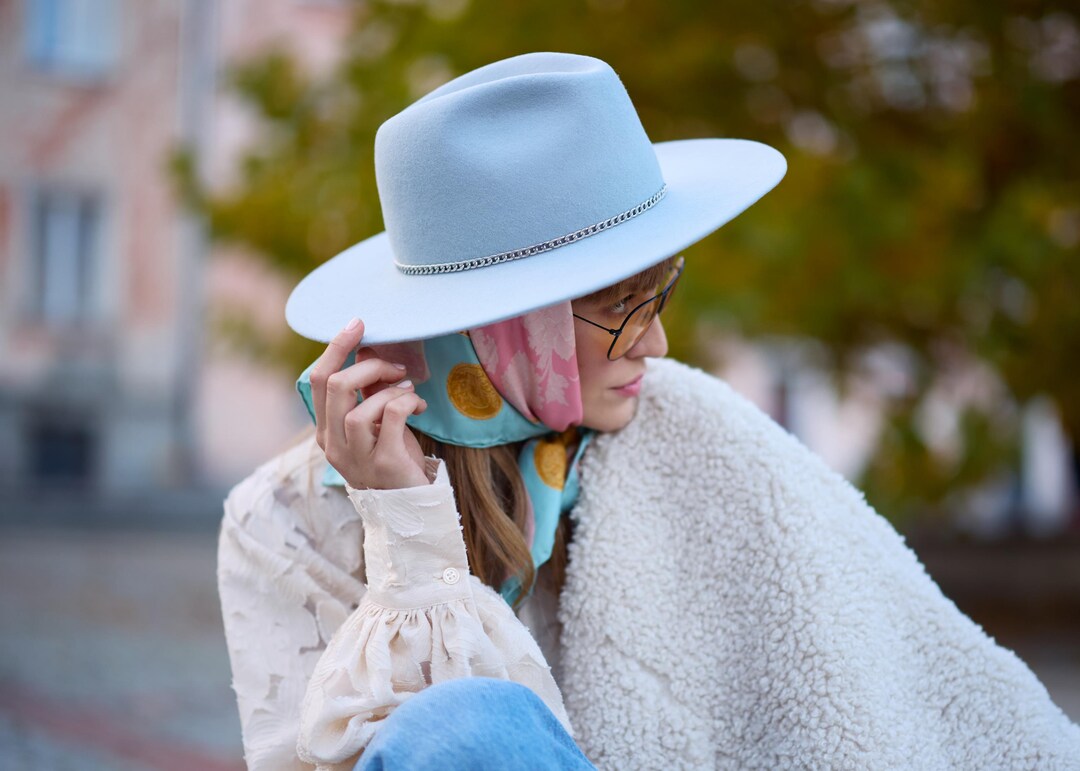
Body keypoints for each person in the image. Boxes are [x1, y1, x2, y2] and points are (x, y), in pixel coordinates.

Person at [218, 52, 1080, 771]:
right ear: (505, 327)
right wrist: (406, 527)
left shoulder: (690, 430)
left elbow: (898, 684)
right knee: (458, 729)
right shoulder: (281, 520)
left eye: (660, 291)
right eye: (623, 305)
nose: (658, 344)